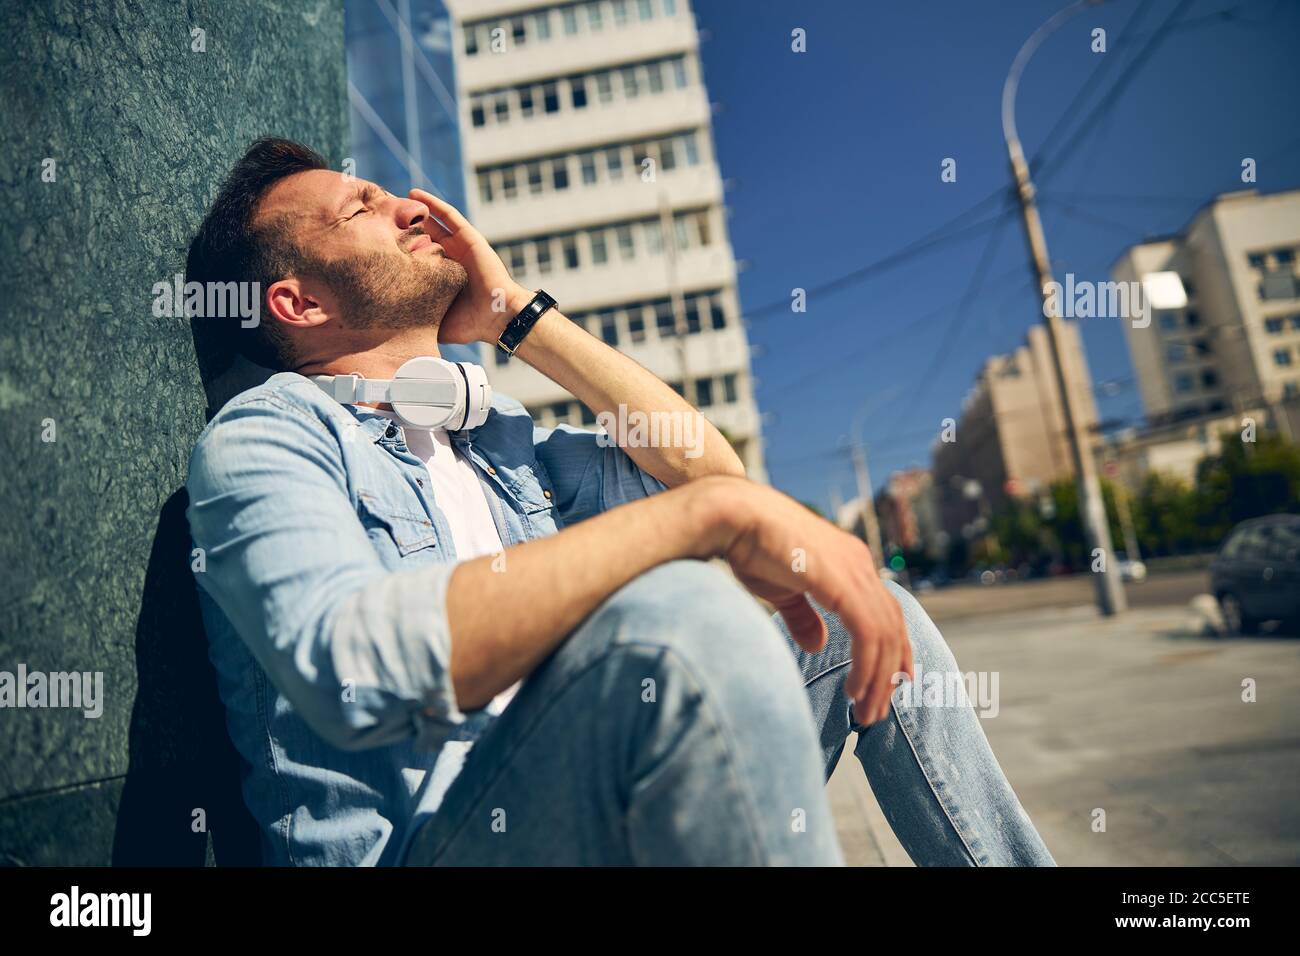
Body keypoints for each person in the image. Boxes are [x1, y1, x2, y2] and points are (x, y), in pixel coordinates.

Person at [184, 137, 1055, 866]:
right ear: (296, 302)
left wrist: (515, 315)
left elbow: (708, 477)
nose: (411, 206)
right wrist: (699, 526)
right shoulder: (264, 437)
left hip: (576, 810)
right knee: (681, 619)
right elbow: (349, 670)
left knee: (863, 615)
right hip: (423, 848)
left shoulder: (494, 441)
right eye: (361, 208)